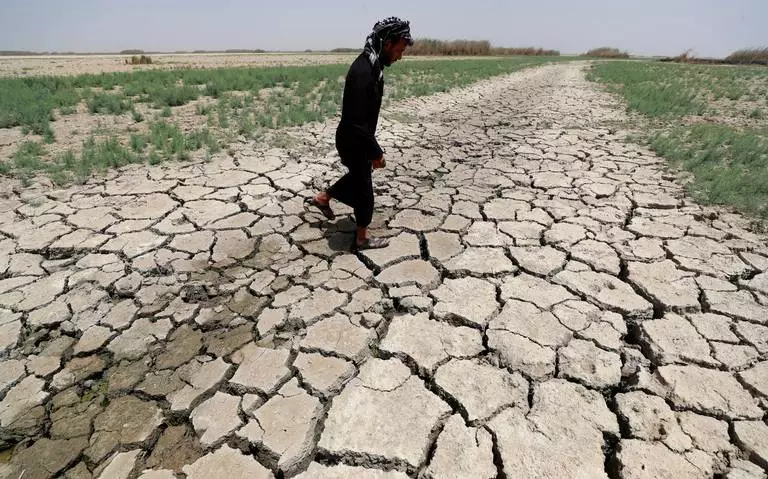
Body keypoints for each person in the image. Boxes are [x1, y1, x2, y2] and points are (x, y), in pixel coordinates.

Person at [305, 17, 413, 251]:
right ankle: (361, 239)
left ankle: (323, 198)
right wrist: (375, 151)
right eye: (399, 49)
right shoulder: (364, 71)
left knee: (358, 177)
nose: (400, 56)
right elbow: (356, 122)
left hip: (355, 137)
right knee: (364, 191)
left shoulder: (372, 65)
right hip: (353, 139)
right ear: (387, 43)